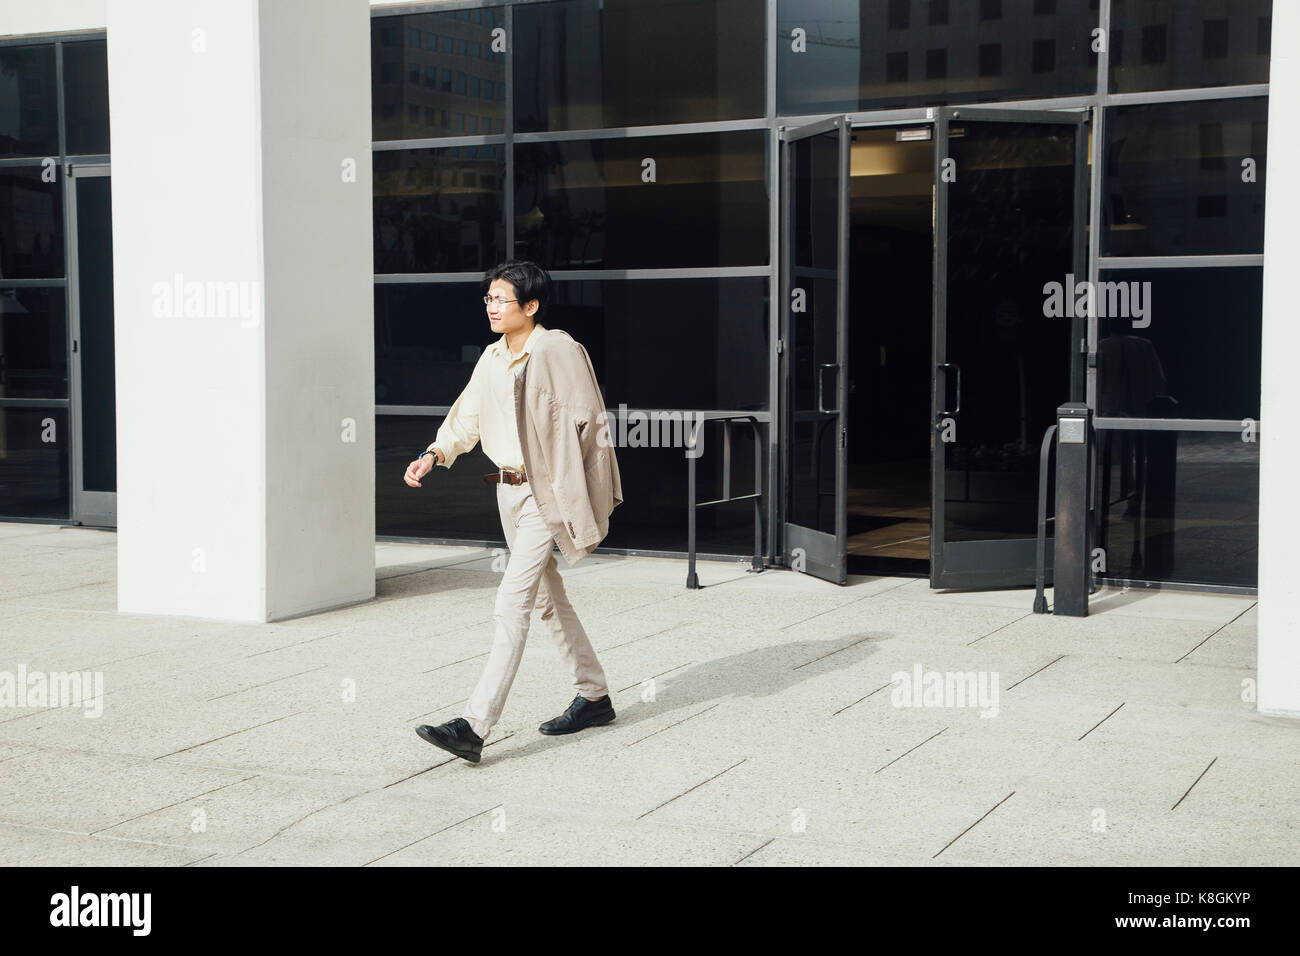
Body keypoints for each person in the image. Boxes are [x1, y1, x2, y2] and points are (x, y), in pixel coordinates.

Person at [404, 260, 622, 764]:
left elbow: (590, 422)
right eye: (488, 300)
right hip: (508, 491)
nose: (492, 308)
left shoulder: (555, 349)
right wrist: (435, 454)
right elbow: (468, 415)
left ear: (531, 306)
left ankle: (474, 725)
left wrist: (576, 486)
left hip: (545, 493)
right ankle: (594, 697)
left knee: (512, 601)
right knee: (548, 600)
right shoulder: (492, 356)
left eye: (502, 299)